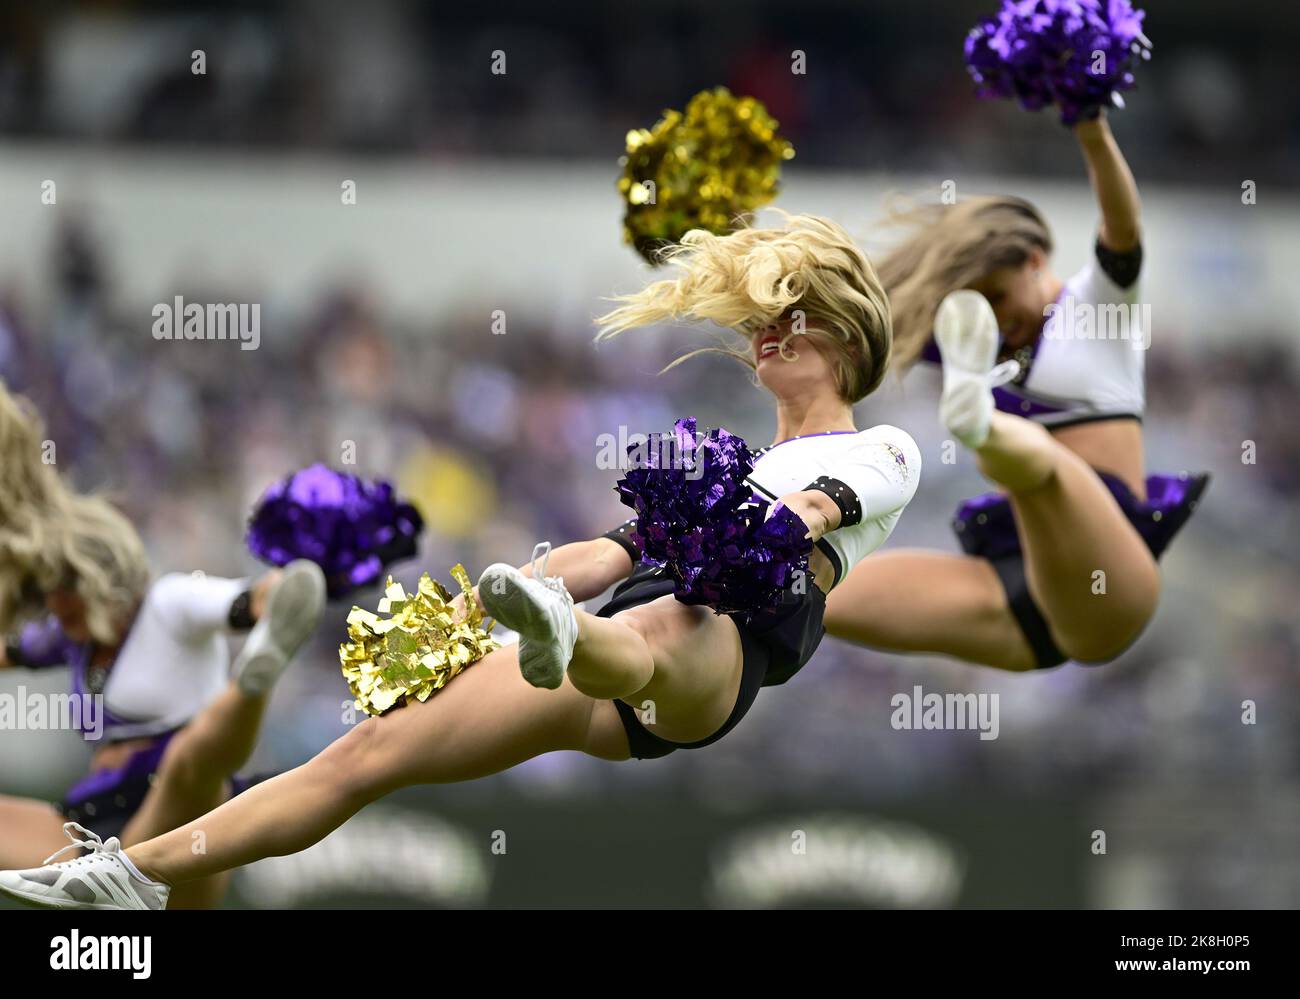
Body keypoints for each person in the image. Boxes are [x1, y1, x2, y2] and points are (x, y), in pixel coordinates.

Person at [0, 214, 921, 909]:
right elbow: (607, 550)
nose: (767, 332)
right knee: (367, 750)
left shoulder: (885, 450)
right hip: (614, 636)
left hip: (723, 654)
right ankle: (128, 872)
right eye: (761, 318)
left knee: (666, 622)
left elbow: (805, 517)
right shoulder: (734, 462)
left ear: (845, 336)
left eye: (791, 318)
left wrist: (585, 600)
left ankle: (563, 638)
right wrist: (492, 602)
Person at [824, 113, 1208, 671]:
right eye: (978, 307)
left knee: (1041, 464)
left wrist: (1093, 131)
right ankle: (660, 611)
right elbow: (831, 320)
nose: (997, 322)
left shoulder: (1097, 310)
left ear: (1035, 262)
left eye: (999, 299)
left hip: (1108, 586)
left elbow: (1123, 226)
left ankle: (979, 422)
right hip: (1010, 600)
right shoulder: (974, 333)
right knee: (789, 587)